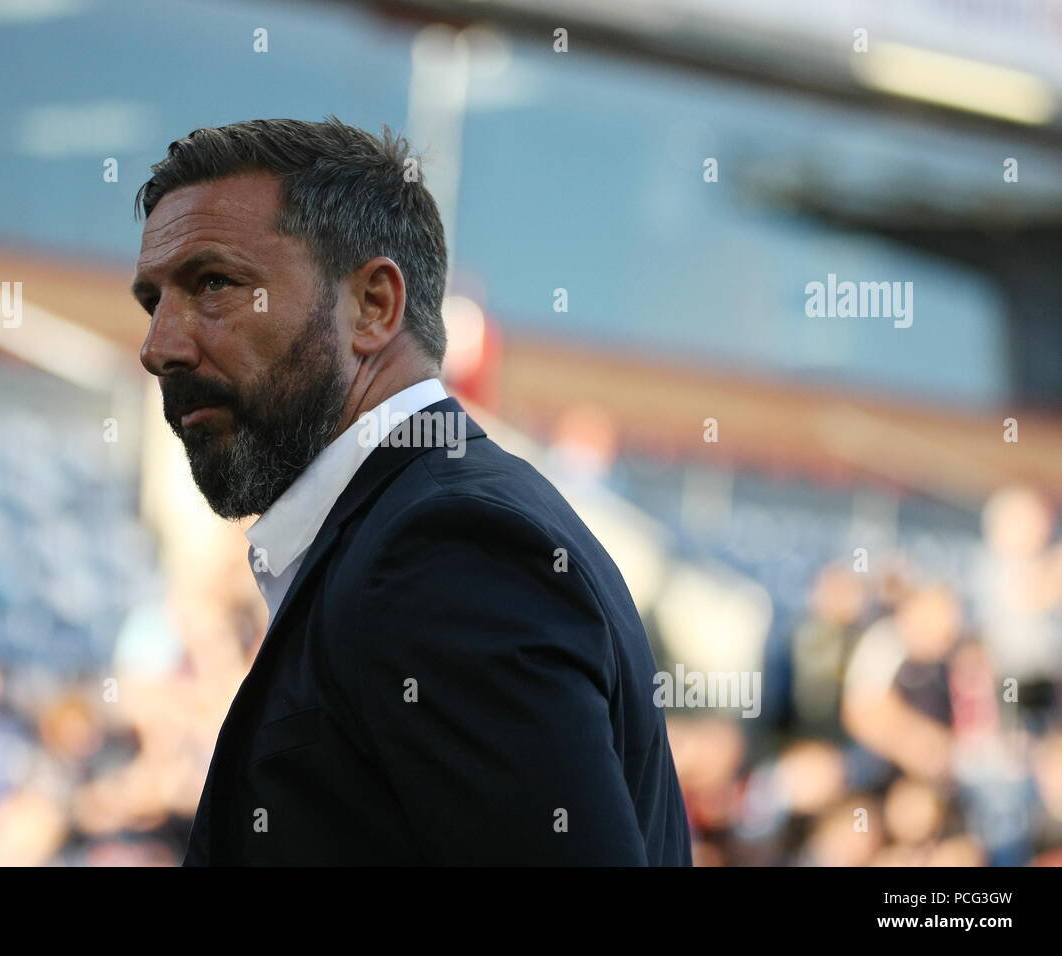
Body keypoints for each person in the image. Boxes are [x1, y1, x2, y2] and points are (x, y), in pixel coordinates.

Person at [132, 117, 691, 865]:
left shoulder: (443, 551)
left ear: (373, 306)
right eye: (153, 301)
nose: (158, 346)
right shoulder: (412, 528)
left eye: (214, 284)